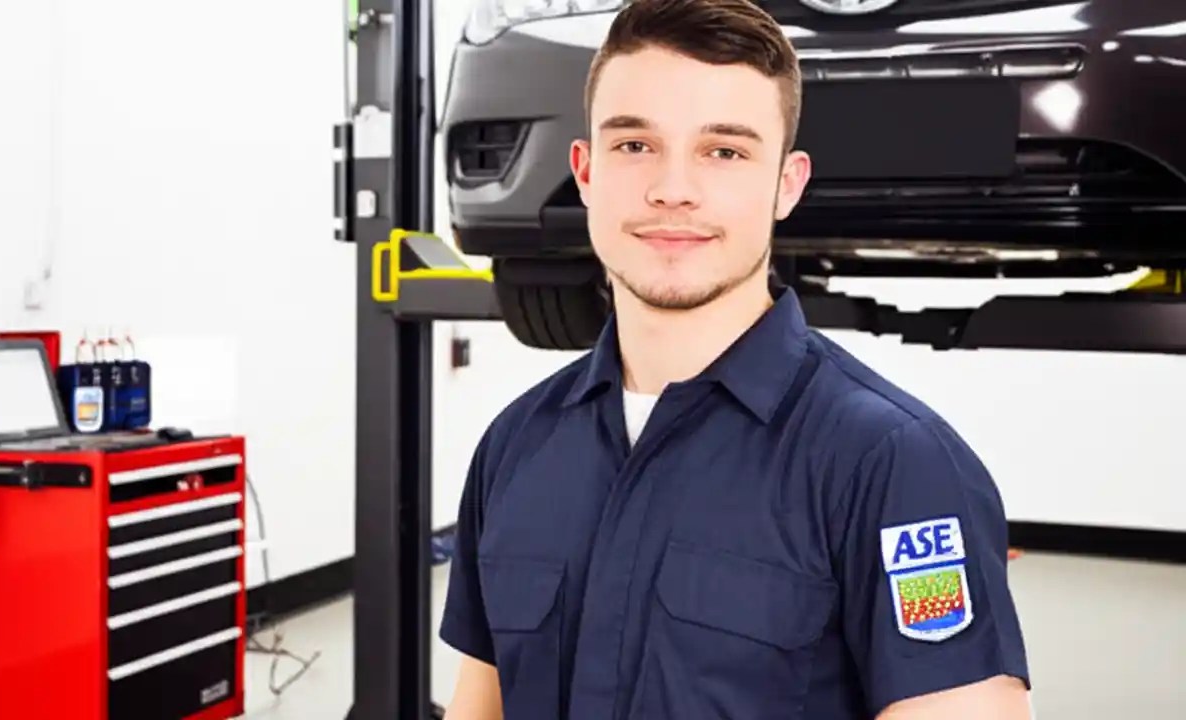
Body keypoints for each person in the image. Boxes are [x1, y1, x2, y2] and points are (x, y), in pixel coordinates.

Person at [439, 0, 1033, 718]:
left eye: (725, 151)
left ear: (787, 184)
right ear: (586, 173)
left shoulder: (894, 465)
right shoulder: (515, 447)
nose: (674, 189)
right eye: (635, 146)